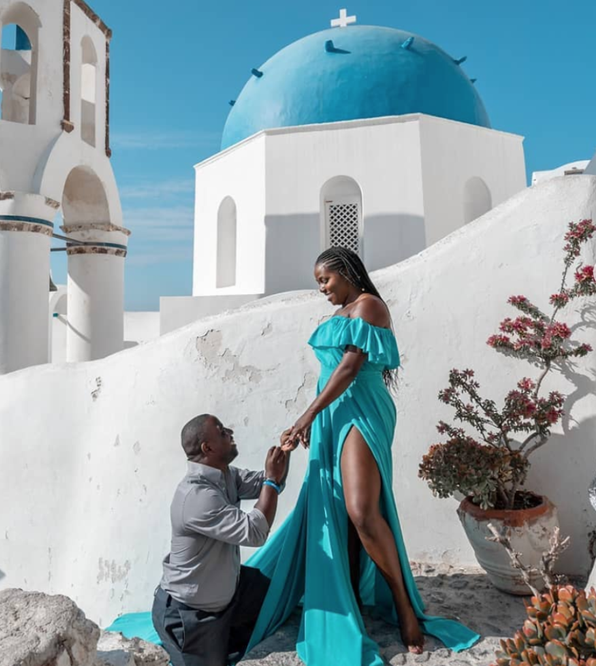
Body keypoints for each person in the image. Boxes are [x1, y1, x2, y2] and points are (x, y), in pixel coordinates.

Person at [242, 247, 479, 666]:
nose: (321, 288)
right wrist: (315, 417)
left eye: (326, 279)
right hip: (332, 412)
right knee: (335, 509)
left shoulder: (369, 305)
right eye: (318, 282)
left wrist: (304, 417)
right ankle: (348, 597)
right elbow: (329, 372)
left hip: (361, 408)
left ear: (346, 273)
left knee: (361, 510)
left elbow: (350, 367)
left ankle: (405, 607)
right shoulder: (342, 313)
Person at [152, 414, 290, 666]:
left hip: (227, 593)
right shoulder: (197, 496)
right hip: (191, 614)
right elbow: (255, 532)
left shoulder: (225, 475)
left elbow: (269, 482)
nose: (230, 432)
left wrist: (284, 450)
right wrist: (271, 480)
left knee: (276, 595)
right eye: (222, 431)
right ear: (208, 448)